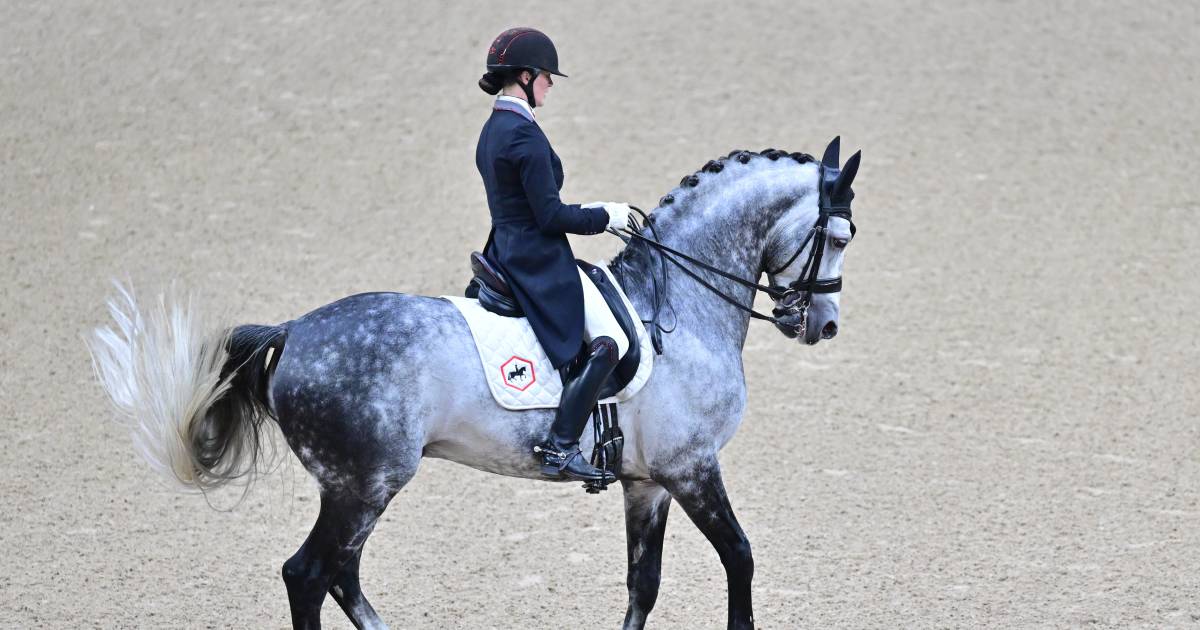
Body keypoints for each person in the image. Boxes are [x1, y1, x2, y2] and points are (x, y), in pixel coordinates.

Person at [475, 27, 632, 483]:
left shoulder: (494, 128)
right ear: (524, 76)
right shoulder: (522, 135)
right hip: (535, 258)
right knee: (609, 342)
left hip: (505, 247)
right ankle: (561, 445)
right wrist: (605, 216)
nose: (550, 84)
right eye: (545, 75)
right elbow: (549, 215)